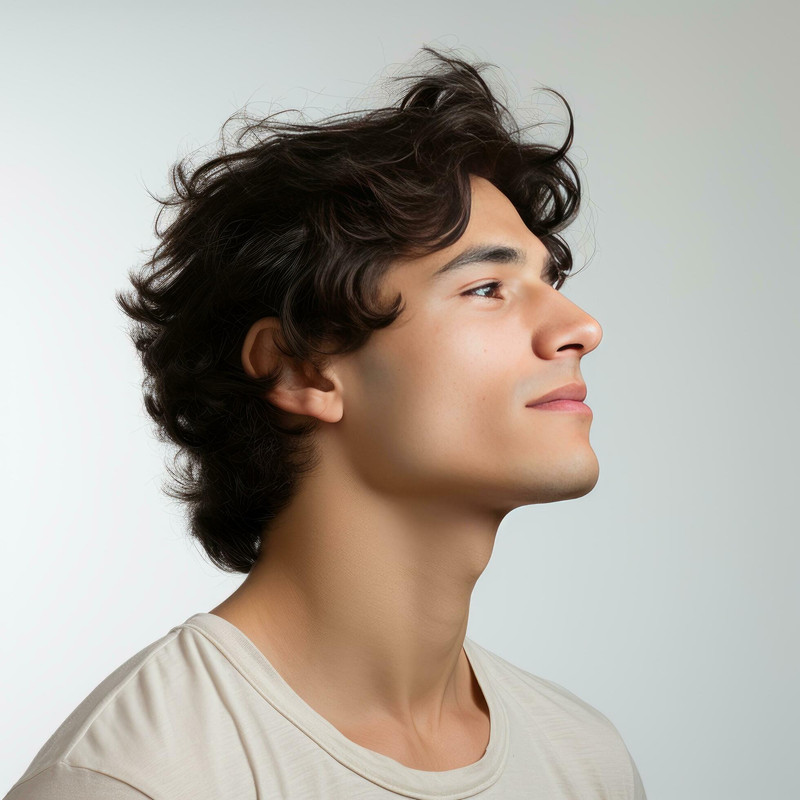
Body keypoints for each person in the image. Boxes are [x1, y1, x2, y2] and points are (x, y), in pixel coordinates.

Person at [5, 46, 647, 799]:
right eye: (486, 288)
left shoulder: (584, 761)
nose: (581, 327)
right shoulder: (136, 780)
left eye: (549, 280)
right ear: (304, 368)